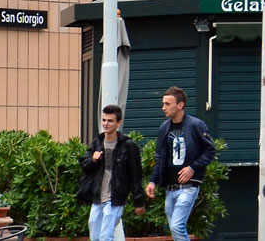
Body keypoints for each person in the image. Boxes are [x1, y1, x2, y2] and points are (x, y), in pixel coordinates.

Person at [145, 86, 216, 241]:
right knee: (175, 230)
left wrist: (192, 168)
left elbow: (210, 150)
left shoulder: (196, 125)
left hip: (188, 187)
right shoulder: (164, 127)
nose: (163, 107)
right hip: (170, 188)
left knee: (177, 226)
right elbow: (159, 157)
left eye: (167, 104)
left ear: (180, 105)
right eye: (163, 103)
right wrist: (152, 181)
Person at [77, 104, 145, 241]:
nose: (105, 124)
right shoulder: (97, 142)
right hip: (98, 196)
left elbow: (136, 175)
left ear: (118, 123)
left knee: (105, 236)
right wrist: (93, 160)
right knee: (94, 234)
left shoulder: (128, 145)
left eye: (110, 121)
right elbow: (84, 165)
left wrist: (139, 202)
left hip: (115, 197)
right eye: (104, 120)